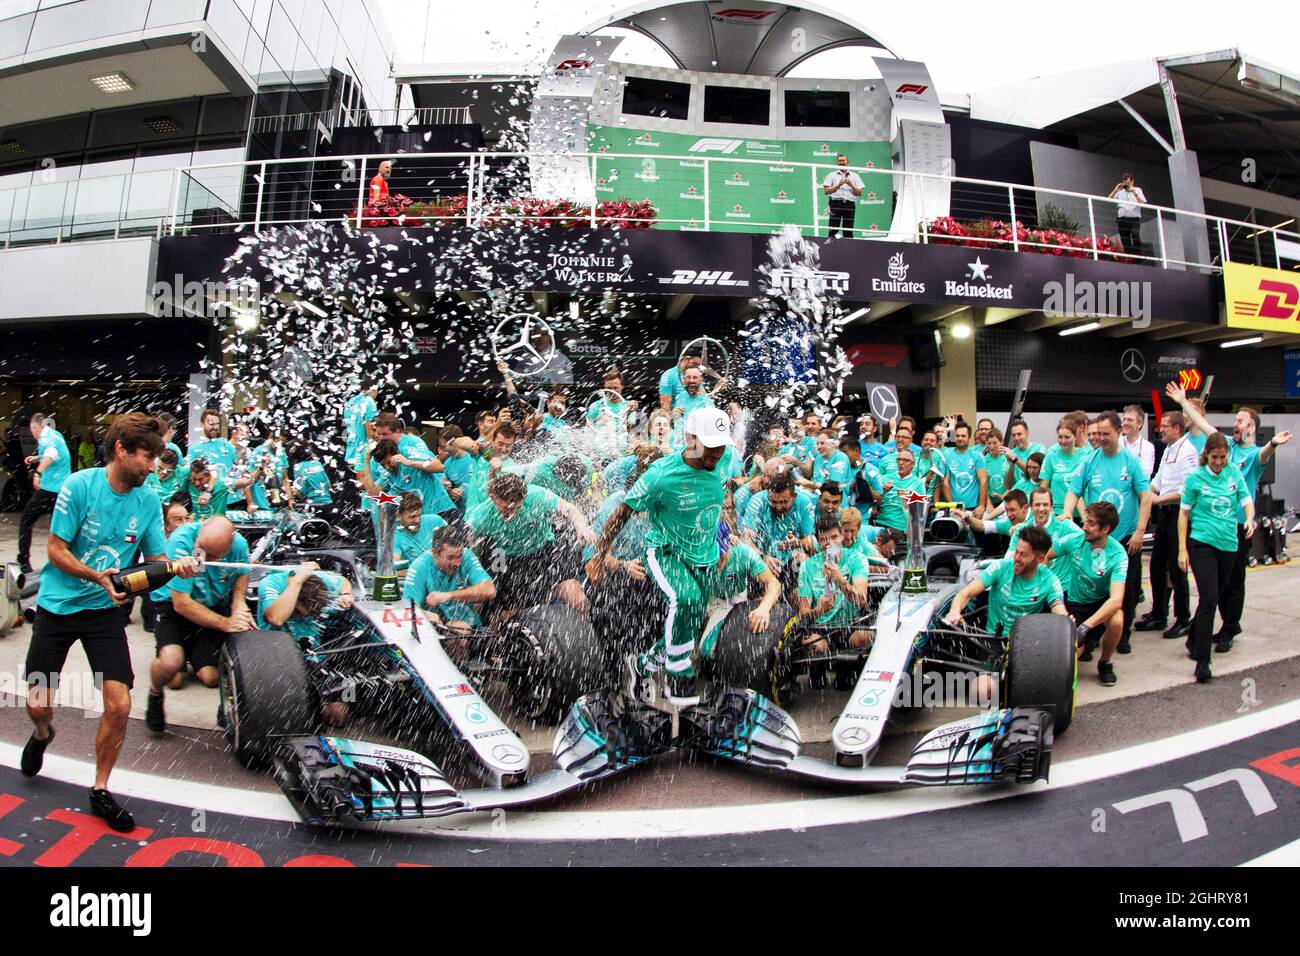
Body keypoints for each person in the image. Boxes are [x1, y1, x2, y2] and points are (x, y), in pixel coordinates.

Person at [20, 413, 200, 832]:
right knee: (37, 703)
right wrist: (97, 576)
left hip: (103, 614)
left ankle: (100, 788)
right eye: (149, 457)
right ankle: (44, 733)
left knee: (118, 705)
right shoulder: (79, 486)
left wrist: (180, 565)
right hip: (57, 607)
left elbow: (156, 561)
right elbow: (56, 550)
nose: (154, 467)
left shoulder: (147, 500)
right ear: (121, 450)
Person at [589, 408, 733, 701]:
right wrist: (600, 551)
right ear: (690, 438)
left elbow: (719, 505)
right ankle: (679, 677)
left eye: (721, 444)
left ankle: (641, 666)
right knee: (686, 599)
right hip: (665, 552)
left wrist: (724, 542)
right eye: (709, 444)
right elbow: (622, 512)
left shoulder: (724, 459)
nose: (716, 452)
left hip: (704, 556)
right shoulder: (660, 475)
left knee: (687, 625)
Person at [1165, 384, 1290, 652]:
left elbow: (1265, 453)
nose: (1236, 424)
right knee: (1214, 585)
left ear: (1252, 428)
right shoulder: (1226, 446)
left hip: (1236, 527)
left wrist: (1273, 443)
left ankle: (1229, 628)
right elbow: (1201, 422)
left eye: (1241, 421)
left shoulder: (1254, 454)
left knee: (1234, 581)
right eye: (1235, 420)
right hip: (1211, 526)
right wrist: (1183, 402)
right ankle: (1214, 629)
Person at [145, 516, 253, 733]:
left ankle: (226, 704)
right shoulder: (181, 542)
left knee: (213, 675)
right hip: (173, 605)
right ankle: (155, 694)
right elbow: (182, 604)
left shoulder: (239, 544)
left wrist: (239, 603)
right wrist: (226, 624)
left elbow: (243, 572)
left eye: (214, 554)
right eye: (203, 548)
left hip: (210, 603)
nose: (205, 556)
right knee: (171, 666)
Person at [1061, 410, 1153, 655]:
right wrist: (1068, 512)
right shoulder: (1090, 460)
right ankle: (1091, 635)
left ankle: (1123, 634)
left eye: (1106, 434)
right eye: (1097, 433)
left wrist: (1139, 532)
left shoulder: (1131, 462)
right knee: (1093, 583)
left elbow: (1146, 497)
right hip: (1096, 537)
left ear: (1119, 432)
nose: (1100, 438)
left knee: (1129, 589)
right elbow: (1074, 490)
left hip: (1125, 536)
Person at [1179, 433, 1256, 683]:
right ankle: (1203, 661)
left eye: (1223, 457)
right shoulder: (1195, 479)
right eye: (1215, 457)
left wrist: (1251, 518)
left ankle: (1193, 636)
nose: (1219, 462)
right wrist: (1182, 549)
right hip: (1202, 542)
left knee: (1214, 596)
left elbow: (1246, 501)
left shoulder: (1233, 473)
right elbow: (1183, 515)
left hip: (1229, 544)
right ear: (1207, 455)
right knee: (1210, 598)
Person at [466, 473, 594, 617]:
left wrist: (581, 526)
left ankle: (588, 628)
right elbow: (471, 551)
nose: (512, 514)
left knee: (578, 600)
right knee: (503, 611)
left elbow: (570, 509)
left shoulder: (537, 496)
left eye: (517, 508)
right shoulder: (481, 517)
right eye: (507, 509)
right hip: (503, 555)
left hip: (544, 547)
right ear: (493, 499)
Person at [255, 562, 354, 725]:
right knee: (290, 715)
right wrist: (296, 582)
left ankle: (321, 706)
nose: (308, 615)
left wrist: (346, 594)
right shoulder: (272, 583)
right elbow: (276, 618)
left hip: (313, 658)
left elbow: (344, 581)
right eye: (304, 612)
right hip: (276, 659)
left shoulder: (321, 580)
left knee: (339, 716)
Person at [1136, 410, 1198, 639]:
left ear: (1177, 429)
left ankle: (1183, 619)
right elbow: (1158, 480)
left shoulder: (1188, 451)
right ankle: (1159, 614)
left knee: (1177, 570)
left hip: (1178, 516)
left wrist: (1159, 499)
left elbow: (1187, 489)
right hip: (1163, 516)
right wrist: (1145, 493)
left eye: (1165, 426)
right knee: (1156, 566)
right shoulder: (1169, 449)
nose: (1160, 429)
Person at [1051, 502, 1129, 686]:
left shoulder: (1118, 555)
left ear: (1105, 529)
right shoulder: (1075, 539)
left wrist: (1085, 628)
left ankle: (1104, 662)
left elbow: (1116, 599)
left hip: (1101, 605)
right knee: (1066, 663)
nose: (1084, 527)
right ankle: (1084, 646)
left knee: (1117, 620)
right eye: (1086, 521)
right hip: (1076, 603)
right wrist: (1049, 585)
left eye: (1091, 523)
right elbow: (1046, 555)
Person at [943, 525, 1068, 636]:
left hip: (1024, 646)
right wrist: (954, 611)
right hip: (992, 640)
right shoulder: (1001, 567)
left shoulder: (1050, 580)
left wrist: (1064, 620)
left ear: (1040, 559)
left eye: (1023, 554)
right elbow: (966, 593)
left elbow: (1058, 606)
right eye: (1016, 552)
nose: (1016, 558)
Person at [796, 516, 874, 688]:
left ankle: (846, 673)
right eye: (824, 539)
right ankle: (818, 672)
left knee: (863, 638)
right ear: (818, 542)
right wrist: (819, 610)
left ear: (842, 537)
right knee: (812, 645)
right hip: (821, 628)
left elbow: (861, 600)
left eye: (833, 537)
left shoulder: (857, 559)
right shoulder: (808, 566)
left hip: (851, 624)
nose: (829, 543)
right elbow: (804, 613)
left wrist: (840, 581)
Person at [404, 524, 496, 631]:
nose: (457, 563)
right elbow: (407, 610)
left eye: (459, 556)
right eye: (451, 557)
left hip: (474, 629)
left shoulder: (466, 555)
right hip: (437, 632)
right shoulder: (419, 567)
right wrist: (425, 615)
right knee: (458, 632)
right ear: (434, 553)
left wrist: (448, 596)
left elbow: (490, 590)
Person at [17, 412, 71, 573]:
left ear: (35, 427)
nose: (32, 434)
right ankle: (64, 562)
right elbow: (55, 454)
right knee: (61, 526)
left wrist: (37, 473)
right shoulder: (55, 434)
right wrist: (36, 458)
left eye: (32, 430)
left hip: (49, 489)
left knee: (26, 520)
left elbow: (51, 455)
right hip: (63, 490)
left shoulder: (45, 437)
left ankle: (24, 562)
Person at [741, 470, 816, 577]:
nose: (779, 507)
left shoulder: (804, 503)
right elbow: (746, 540)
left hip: (791, 561)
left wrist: (798, 542)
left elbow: (811, 542)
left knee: (806, 560)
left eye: (784, 502)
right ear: (768, 495)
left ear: (794, 497)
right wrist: (763, 557)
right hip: (762, 560)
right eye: (774, 502)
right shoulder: (758, 501)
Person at [873, 448, 928, 540]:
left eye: (905, 460)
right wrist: (883, 492)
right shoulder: (884, 479)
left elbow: (921, 512)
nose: (901, 463)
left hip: (902, 527)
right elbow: (873, 506)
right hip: (882, 524)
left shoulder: (918, 483)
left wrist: (910, 497)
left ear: (912, 465)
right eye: (899, 459)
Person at [1040, 416, 1087, 518]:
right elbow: (1043, 487)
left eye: (1067, 437)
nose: (1063, 441)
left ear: (1075, 436)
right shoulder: (1051, 456)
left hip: (1081, 514)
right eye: (1060, 437)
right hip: (1058, 513)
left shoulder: (1085, 456)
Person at [942, 421, 988, 515]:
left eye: (963, 436)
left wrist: (981, 506)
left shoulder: (977, 456)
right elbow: (945, 482)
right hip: (954, 507)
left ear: (969, 437)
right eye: (957, 436)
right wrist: (951, 505)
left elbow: (983, 481)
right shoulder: (946, 456)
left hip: (973, 508)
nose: (960, 438)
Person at [392, 492, 447, 564]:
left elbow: (455, 543)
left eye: (419, 515)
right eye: (412, 517)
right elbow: (394, 568)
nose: (418, 521)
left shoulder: (435, 521)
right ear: (398, 516)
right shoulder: (394, 536)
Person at [822, 153, 864, 238]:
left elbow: (860, 193)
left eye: (843, 160)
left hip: (849, 205)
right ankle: (831, 249)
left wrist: (851, 185)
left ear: (848, 162)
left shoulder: (855, 176)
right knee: (832, 230)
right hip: (835, 204)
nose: (841, 162)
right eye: (839, 161)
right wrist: (838, 185)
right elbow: (826, 191)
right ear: (837, 163)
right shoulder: (832, 175)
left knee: (848, 230)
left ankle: (849, 250)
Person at [1108, 173, 1147, 256]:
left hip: (1134, 219)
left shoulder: (1138, 190)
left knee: (1135, 235)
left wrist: (1134, 193)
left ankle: (1138, 255)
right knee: (1125, 239)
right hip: (1122, 219)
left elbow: (1143, 203)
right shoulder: (1120, 192)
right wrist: (1115, 190)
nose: (1127, 185)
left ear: (1132, 181)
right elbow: (1108, 200)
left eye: (1128, 183)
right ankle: (1129, 257)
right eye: (1125, 184)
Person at [658, 346, 704, 414]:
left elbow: (703, 397)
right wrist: (672, 419)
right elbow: (665, 407)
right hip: (677, 420)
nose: (697, 367)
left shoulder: (695, 374)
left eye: (698, 365)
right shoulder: (668, 375)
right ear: (685, 359)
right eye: (695, 364)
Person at [1120, 405, 1156, 479]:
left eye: (1129, 420)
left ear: (1139, 424)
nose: (1125, 423)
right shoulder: (1116, 443)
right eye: (1124, 419)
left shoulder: (1148, 447)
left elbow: (1145, 475)